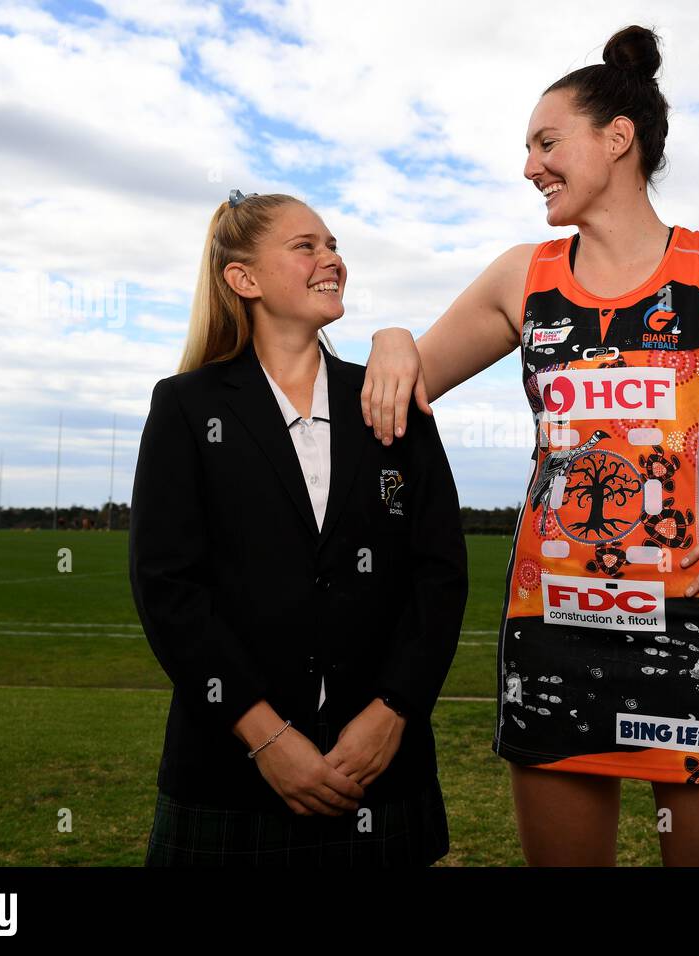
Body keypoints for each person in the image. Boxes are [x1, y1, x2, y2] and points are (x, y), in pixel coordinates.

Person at [362, 25, 699, 866]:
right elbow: (397, 389)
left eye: (547, 142)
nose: (529, 166)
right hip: (551, 636)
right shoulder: (521, 278)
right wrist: (394, 336)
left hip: (698, 635)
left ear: (619, 140)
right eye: (528, 148)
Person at [129, 189, 468, 866]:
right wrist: (267, 739)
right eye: (306, 246)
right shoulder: (186, 406)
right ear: (244, 279)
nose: (331, 259)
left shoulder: (389, 396)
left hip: (378, 777)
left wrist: (392, 712)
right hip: (229, 782)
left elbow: (439, 576)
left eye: (334, 245)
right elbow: (169, 589)